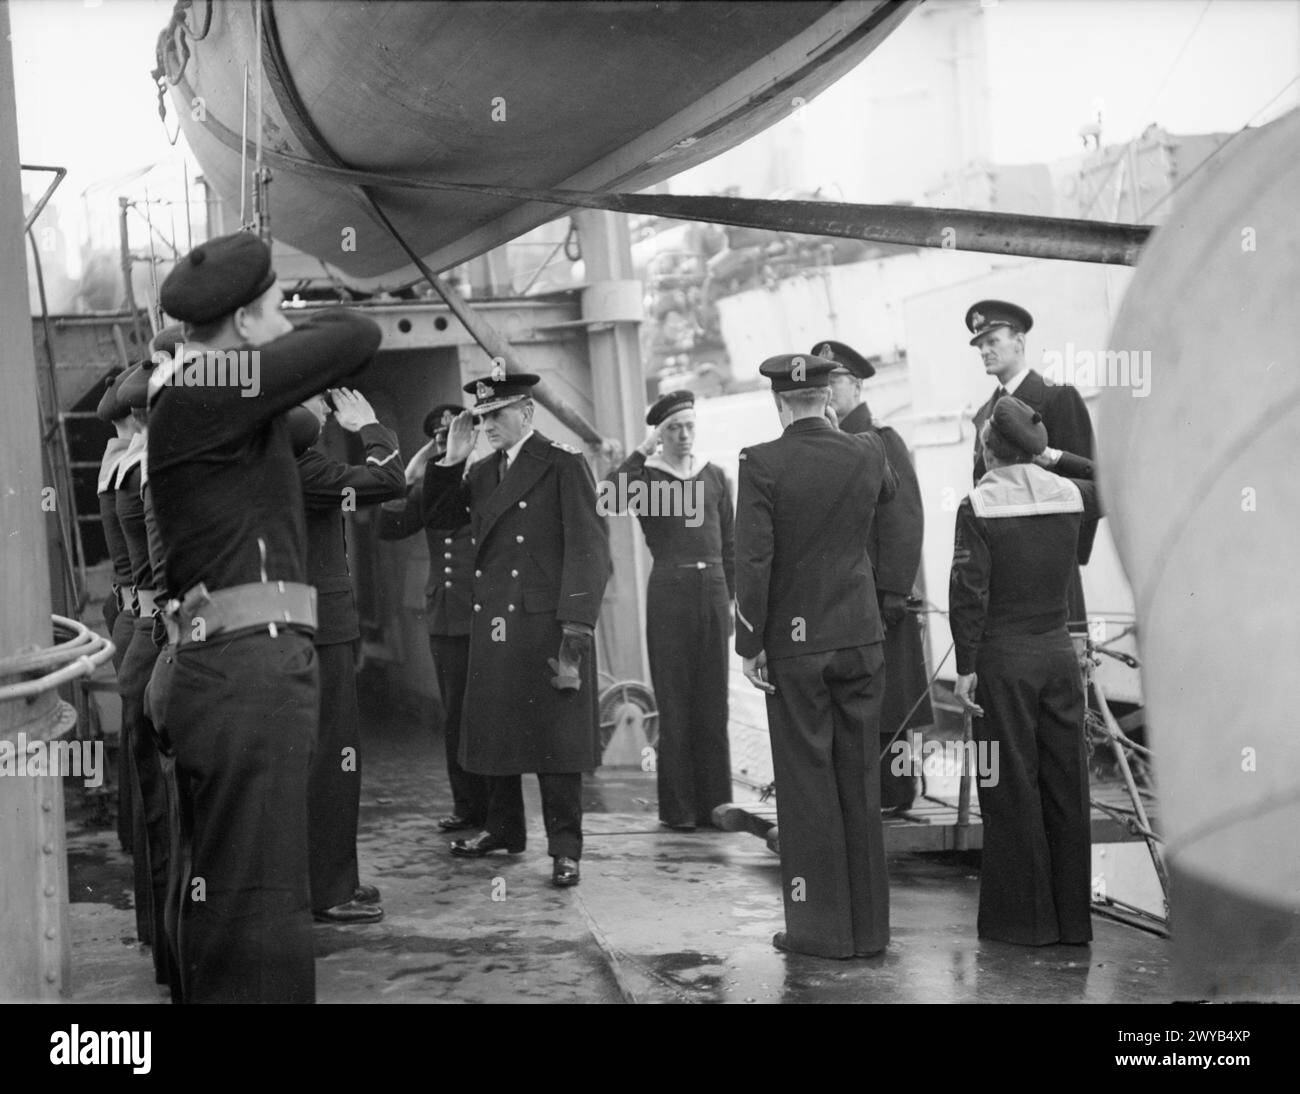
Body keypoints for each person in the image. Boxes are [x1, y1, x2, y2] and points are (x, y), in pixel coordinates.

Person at [145, 231, 382, 1003]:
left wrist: (271, 354)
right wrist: (280, 346)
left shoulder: (210, 402)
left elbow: (308, 426)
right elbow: (357, 334)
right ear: (245, 323)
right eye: (276, 310)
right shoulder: (206, 393)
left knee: (232, 885)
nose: (286, 324)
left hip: (235, 667)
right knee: (263, 903)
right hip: (247, 669)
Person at [735, 352, 898, 959]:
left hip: (798, 647)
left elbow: (753, 560)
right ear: (827, 398)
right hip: (861, 635)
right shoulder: (868, 450)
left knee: (808, 786)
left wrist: (750, 641)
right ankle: (869, 931)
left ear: (779, 402)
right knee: (859, 778)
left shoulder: (761, 463)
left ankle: (819, 930)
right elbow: (890, 493)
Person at [421, 372, 610, 888]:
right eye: (481, 418)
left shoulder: (563, 463)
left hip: (547, 625)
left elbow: (589, 548)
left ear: (526, 412)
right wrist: (452, 458)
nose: (488, 425)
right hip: (495, 621)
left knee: (556, 744)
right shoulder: (480, 472)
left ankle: (565, 849)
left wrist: (577, 624)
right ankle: (503, 830)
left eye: (496, 415)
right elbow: (437, 515)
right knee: (495, 731)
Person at [949, 396, 1100, 946]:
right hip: (1060, 657)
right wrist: (1053, 454)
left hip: (1004, 662)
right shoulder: (1069, 495)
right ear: (1032, 450)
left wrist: (965, 666)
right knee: (1066, 785)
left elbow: (968, 591)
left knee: (1010, 786)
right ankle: (1072, 922)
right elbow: (1104, 480)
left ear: (988, 448)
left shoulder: (979, 505)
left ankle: (1024, 924)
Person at [293, 387, 405, 925]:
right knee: (334, 758)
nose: (326, 413)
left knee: (325, 758)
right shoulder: (303, 466)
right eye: (319, 403)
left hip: (306, 622)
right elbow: (386, 480)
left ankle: (334, 878)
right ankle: (329, 889)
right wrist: (371, 425)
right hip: (321, 627)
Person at [605, 390, 734, 830]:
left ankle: (717, 807)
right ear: (660, 435)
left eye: (688, 427)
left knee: (714, 704)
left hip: (714, 591)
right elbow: (607, 499)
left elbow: (731, 546)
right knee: (676, 705)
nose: (682, 436)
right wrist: (640, 452)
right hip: (670, 592)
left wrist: (734, 602)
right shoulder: (646, 479)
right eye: (672, 428)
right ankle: (679, 812)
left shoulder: (715, 477)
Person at [814, 340, 931, 810]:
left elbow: (904, 518)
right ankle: (864, 791)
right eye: (820, 383)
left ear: (857, 384)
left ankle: (896, 791)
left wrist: (894, 590)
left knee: (892, 698)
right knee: (859, 698)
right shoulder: (829, 441)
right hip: (846, 597)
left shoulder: (882, 439)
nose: (826, 391)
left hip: (882, 599)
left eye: (834, 381)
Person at [378, 402, 488, 834]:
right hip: (445, 611)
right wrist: (410, 471)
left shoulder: (487, 477)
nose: (447, 444)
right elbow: (389, 527)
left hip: (486, 610)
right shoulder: (430, 486)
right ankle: (467, 808)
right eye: (440, 439)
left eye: (454, 435)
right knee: (455, 713)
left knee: (488, 712)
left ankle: (497, 813)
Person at [966, 300, 1096, 633]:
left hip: (1051, 568)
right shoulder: (984, 414)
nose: (984, 351)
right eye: (980, 345)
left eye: (993, 341)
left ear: (1019, 342)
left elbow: (1091, 482)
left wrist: (1067, 555)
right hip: (1001, 569)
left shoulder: (1057, 397)